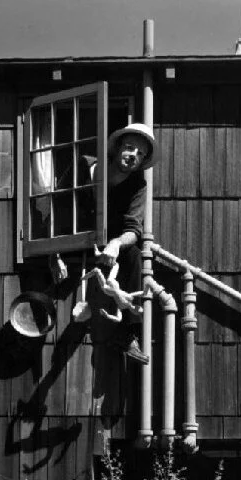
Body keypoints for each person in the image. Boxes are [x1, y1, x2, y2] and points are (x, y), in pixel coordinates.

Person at [78, 122, 157, 364]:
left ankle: (127, 334)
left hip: (109, 246)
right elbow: (57, 204)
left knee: (134, 253)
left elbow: (133, 230)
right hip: (75, 237)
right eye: (130, 148)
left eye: (140, 153)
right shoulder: (86, 167)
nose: (133, 155)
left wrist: (114, 243)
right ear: (118, 147)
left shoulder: (137, 186)